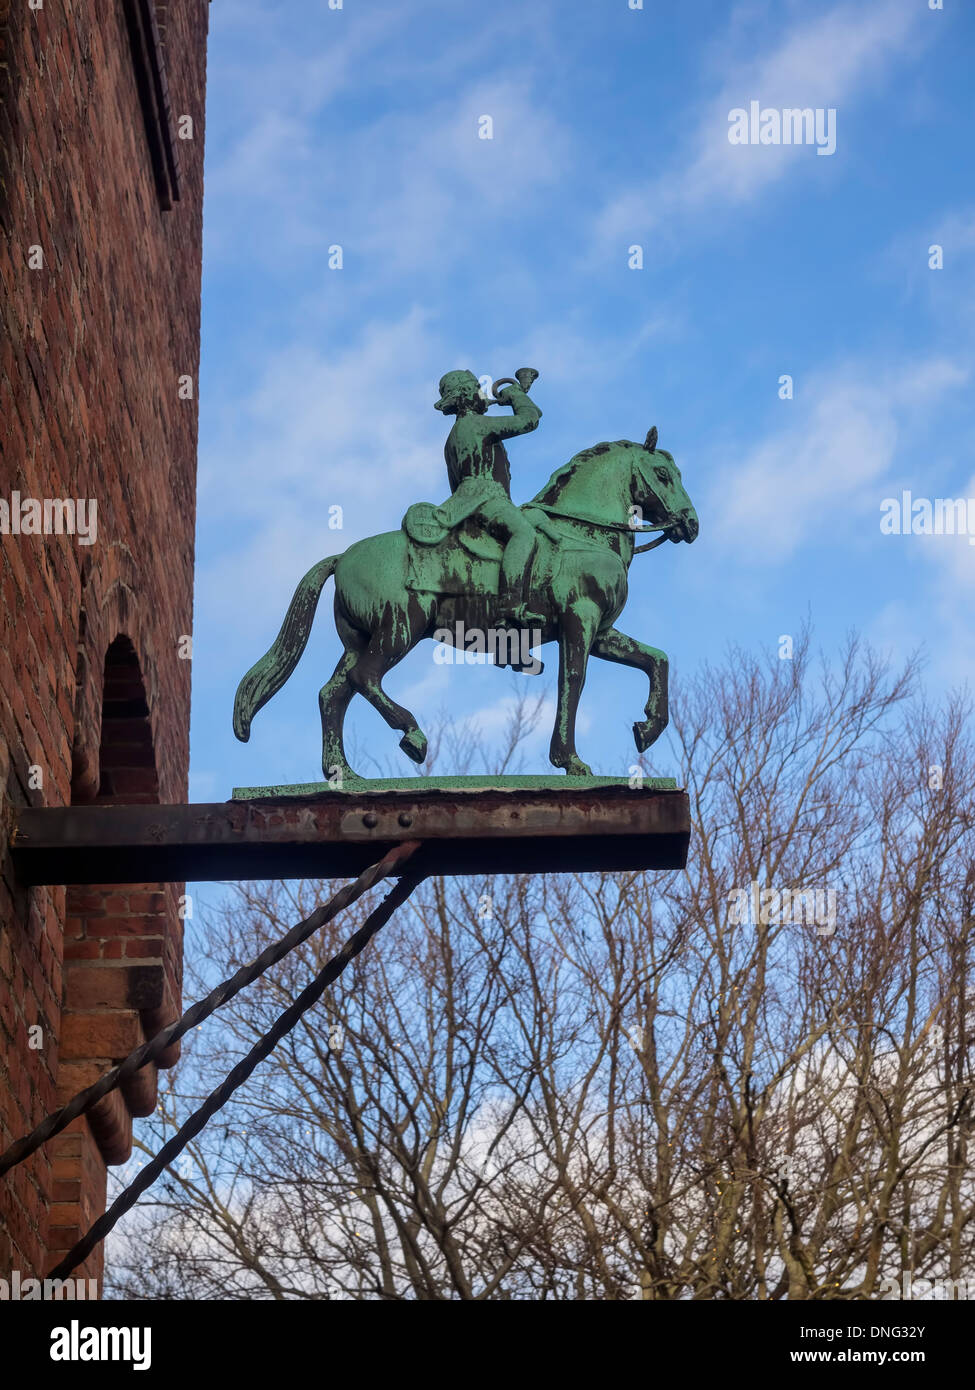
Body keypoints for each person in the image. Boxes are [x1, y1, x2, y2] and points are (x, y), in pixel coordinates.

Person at [432, 368, 545, 626]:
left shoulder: (454, 435)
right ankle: (510, 606)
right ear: (464, 395)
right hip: (485, 497)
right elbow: (530, 419)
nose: (481, 393)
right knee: (524, 534)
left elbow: (534, 414)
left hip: (467, 502)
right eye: (476, 388)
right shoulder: (475, 424)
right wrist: (515, 394)